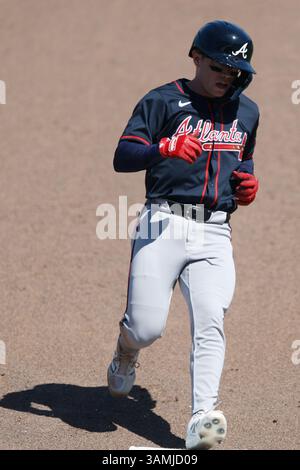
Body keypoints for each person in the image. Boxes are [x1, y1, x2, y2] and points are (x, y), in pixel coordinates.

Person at [107, 20, 259, 450]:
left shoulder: (246, 111)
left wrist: (248, 184)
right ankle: (126, 349)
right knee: (146, 326)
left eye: (234, 71)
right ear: (196, 56)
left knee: (211, 320)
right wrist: (163, 148)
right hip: (163, 223)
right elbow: (123, 156)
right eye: (219, 66)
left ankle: (203, 417)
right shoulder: (162, 101)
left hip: (215, 232)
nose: (226, 77)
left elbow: (242, 162)